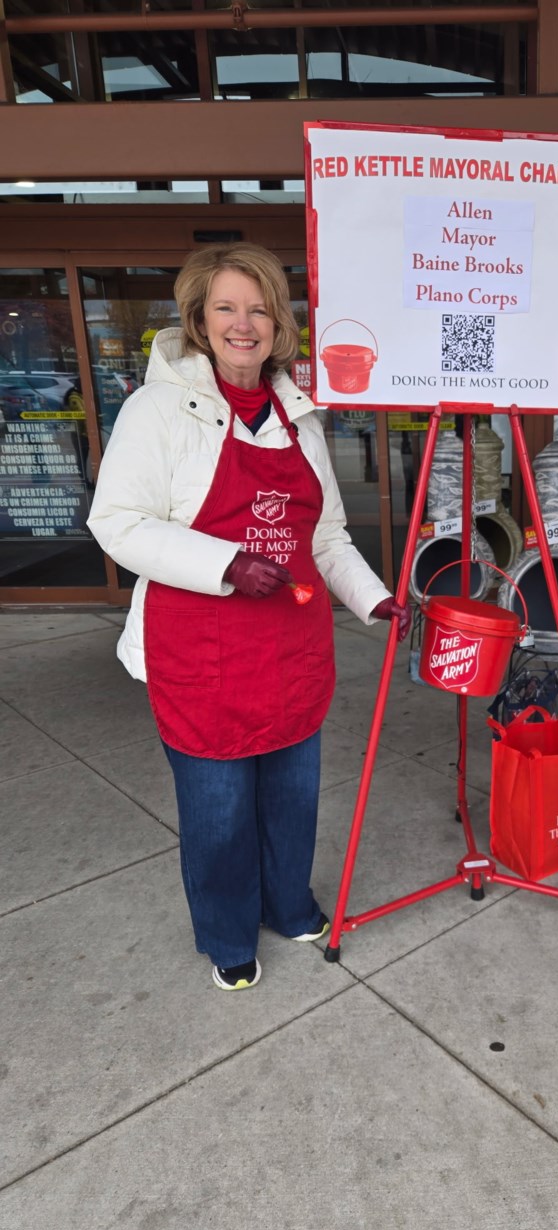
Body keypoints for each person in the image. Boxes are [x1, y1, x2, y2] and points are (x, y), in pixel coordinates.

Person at [88, 242, 411, 992]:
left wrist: (376, 597)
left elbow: (324, 535)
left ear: (279, 323)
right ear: (199, 318)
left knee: (294, 799)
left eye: (260, 308)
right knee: (221, 812)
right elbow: (119, 522)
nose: (244, 323)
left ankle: (287, 902)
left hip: (291, 645)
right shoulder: (159, 408)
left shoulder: (301, 416)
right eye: (227, 307)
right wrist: (227, 563)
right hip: (201, 652)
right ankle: (229, 933)